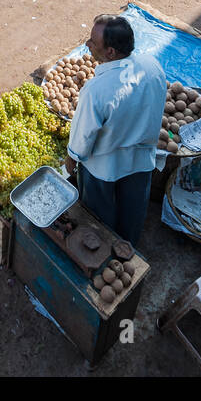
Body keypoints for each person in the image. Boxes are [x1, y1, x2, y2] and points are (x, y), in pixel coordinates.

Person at [65, 14, 167, 245]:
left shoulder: (96, 90)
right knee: (133, 211)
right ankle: (129, 247)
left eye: (92, 41)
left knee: (99, 217)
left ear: (110, 52)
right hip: (140, 161)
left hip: (104, 167)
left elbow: (83, 137)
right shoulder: (152, 66)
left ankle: (103, 252)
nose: (87, 45)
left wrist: (72, 158)